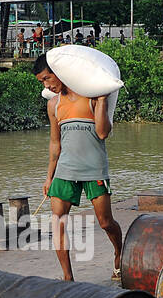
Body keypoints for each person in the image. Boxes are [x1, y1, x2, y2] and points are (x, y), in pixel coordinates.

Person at [35, 52, 122, 282]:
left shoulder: (92, 97)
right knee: (58, 220)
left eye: (47, 78)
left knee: (105, 222)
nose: (46, 85)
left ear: (59, 73)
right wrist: (48, 177)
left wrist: (102, 100)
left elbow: (103, 133)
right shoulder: (54, 105)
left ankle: (119, 253)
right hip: (66, 169)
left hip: (94, 168)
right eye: (42, 82)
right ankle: (67, 277)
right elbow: (55, 143)